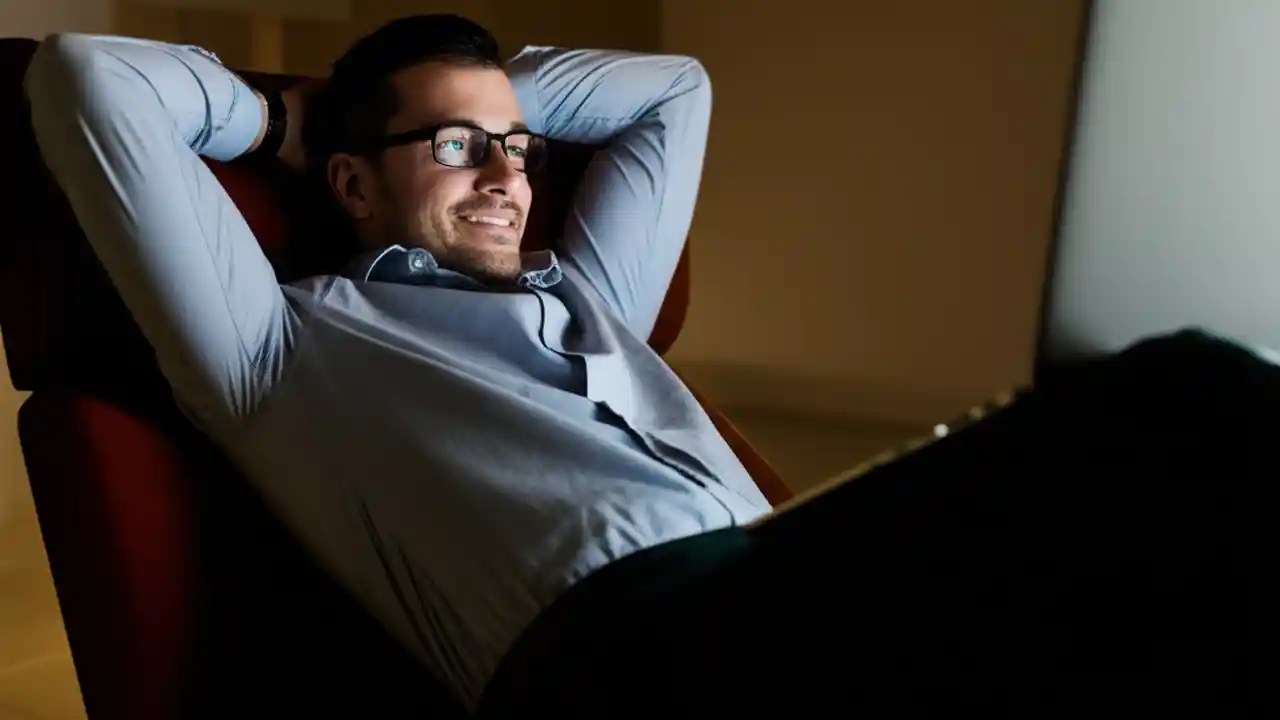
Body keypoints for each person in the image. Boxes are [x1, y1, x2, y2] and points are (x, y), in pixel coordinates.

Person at [25, 14, 1264, 717]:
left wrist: (474, 115)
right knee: (1181, 395)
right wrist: (288, 118)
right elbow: (88, 77)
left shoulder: (590, 293)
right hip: (624, 668)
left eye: (518, 145)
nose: (510, 176)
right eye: (460, 147)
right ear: (348, 182)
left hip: (787, 592)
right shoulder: (279, 344)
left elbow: (671, 91)